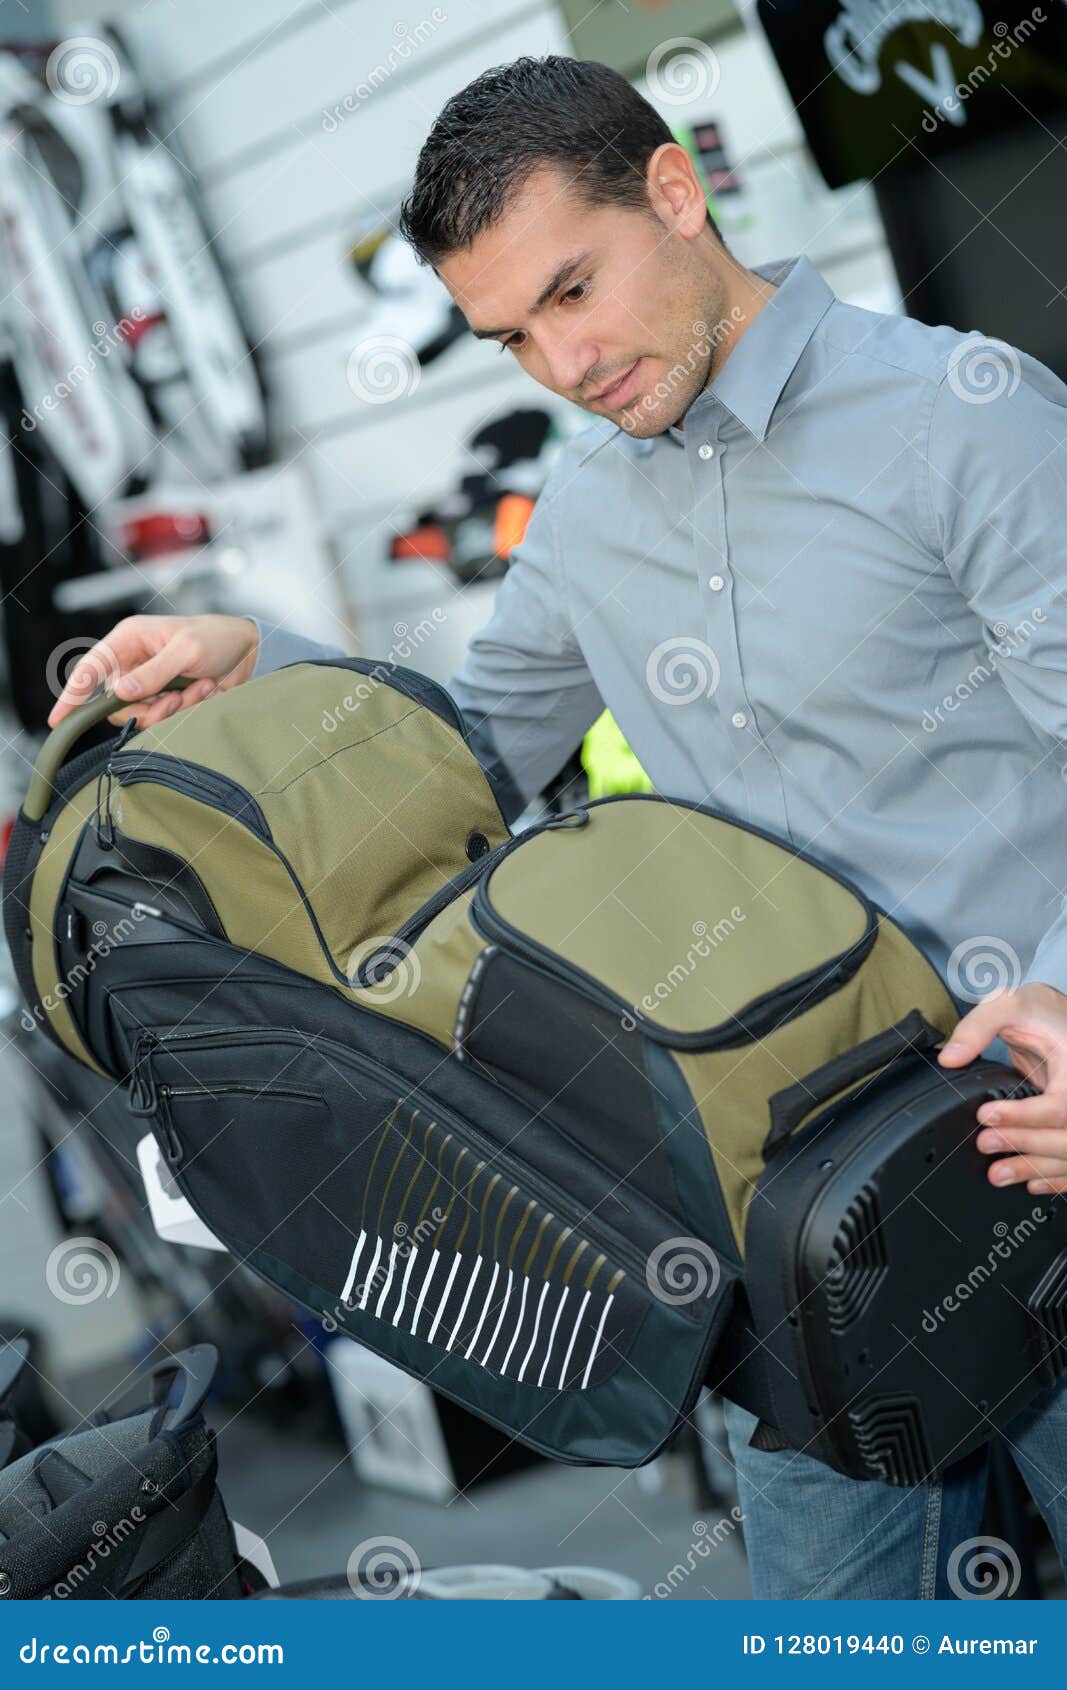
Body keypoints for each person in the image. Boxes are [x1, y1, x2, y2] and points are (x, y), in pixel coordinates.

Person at [48, 56, 1067, 1599]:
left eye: (574, 291)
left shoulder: (963, 418)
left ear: (674, 192)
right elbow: (458, 755)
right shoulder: (588, 514)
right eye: (513, 335)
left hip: (1025, 1136)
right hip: (771, 1205)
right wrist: (266, 655)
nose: (563, 360)